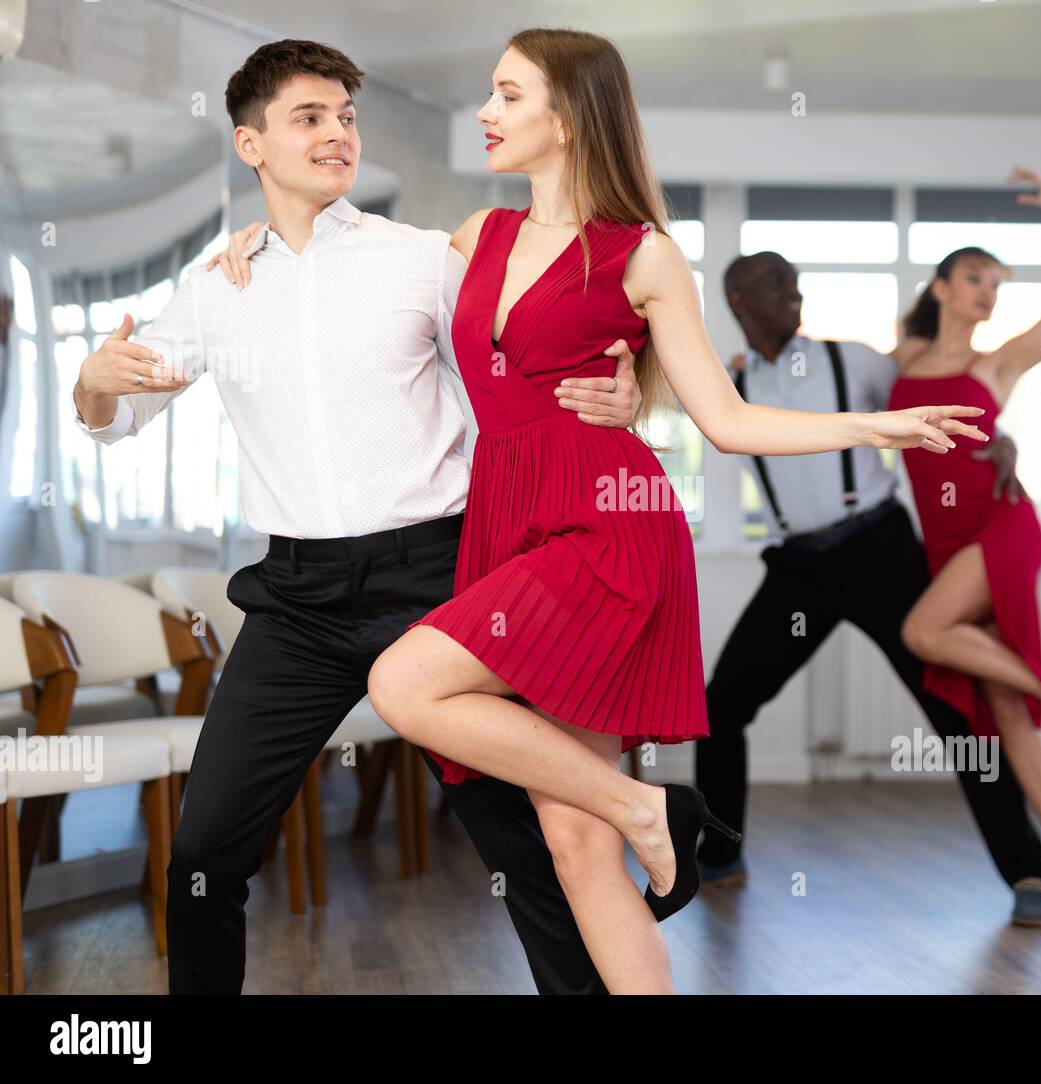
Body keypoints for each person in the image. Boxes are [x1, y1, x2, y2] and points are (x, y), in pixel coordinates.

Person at [324, 27, 983, 995]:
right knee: (575, 841)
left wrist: (877, 426)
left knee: (404, 684)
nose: (486, 113)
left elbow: (728, 418)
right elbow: (361, 259)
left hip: (605, 532)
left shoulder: (644, 257)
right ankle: (640, 813)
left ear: (568, 115)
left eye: (508, 95)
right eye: (489, 95)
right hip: (507, 525)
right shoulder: (477, 235)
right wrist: (258, 243)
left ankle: (646, 808)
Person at [72, 39, 647, 995]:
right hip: (294, 599)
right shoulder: (217, 287)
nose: (338, 133)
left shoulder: (422, 261)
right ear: (250, 145)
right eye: (309, 118)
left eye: (346, 115)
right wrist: (91, 384)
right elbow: (114, 417)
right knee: (203, 858)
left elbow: (535, 370)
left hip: (437, 586)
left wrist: (627, 398)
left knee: (524, 851)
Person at [695, 249, 1041, 927]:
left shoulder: (857, 361)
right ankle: (721, 855)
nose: (795, 295)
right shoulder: (728, 384)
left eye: (798, 284)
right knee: (720, 707)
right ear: (740, 301)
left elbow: (945, 389)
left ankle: (1028, 872)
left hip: (878, 550)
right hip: (797, 568)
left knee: (957, 714)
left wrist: (998, 434)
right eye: (779, 286)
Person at [888, 167, 1041, 929]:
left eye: (995, 283)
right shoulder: (895, 365)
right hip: (947, 544)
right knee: (1006, 709)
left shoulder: (995, 364)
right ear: (939, 288)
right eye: (973, 278)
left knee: (922, 632)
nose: (986, 292)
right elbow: (822, 380)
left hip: (1001, 528)